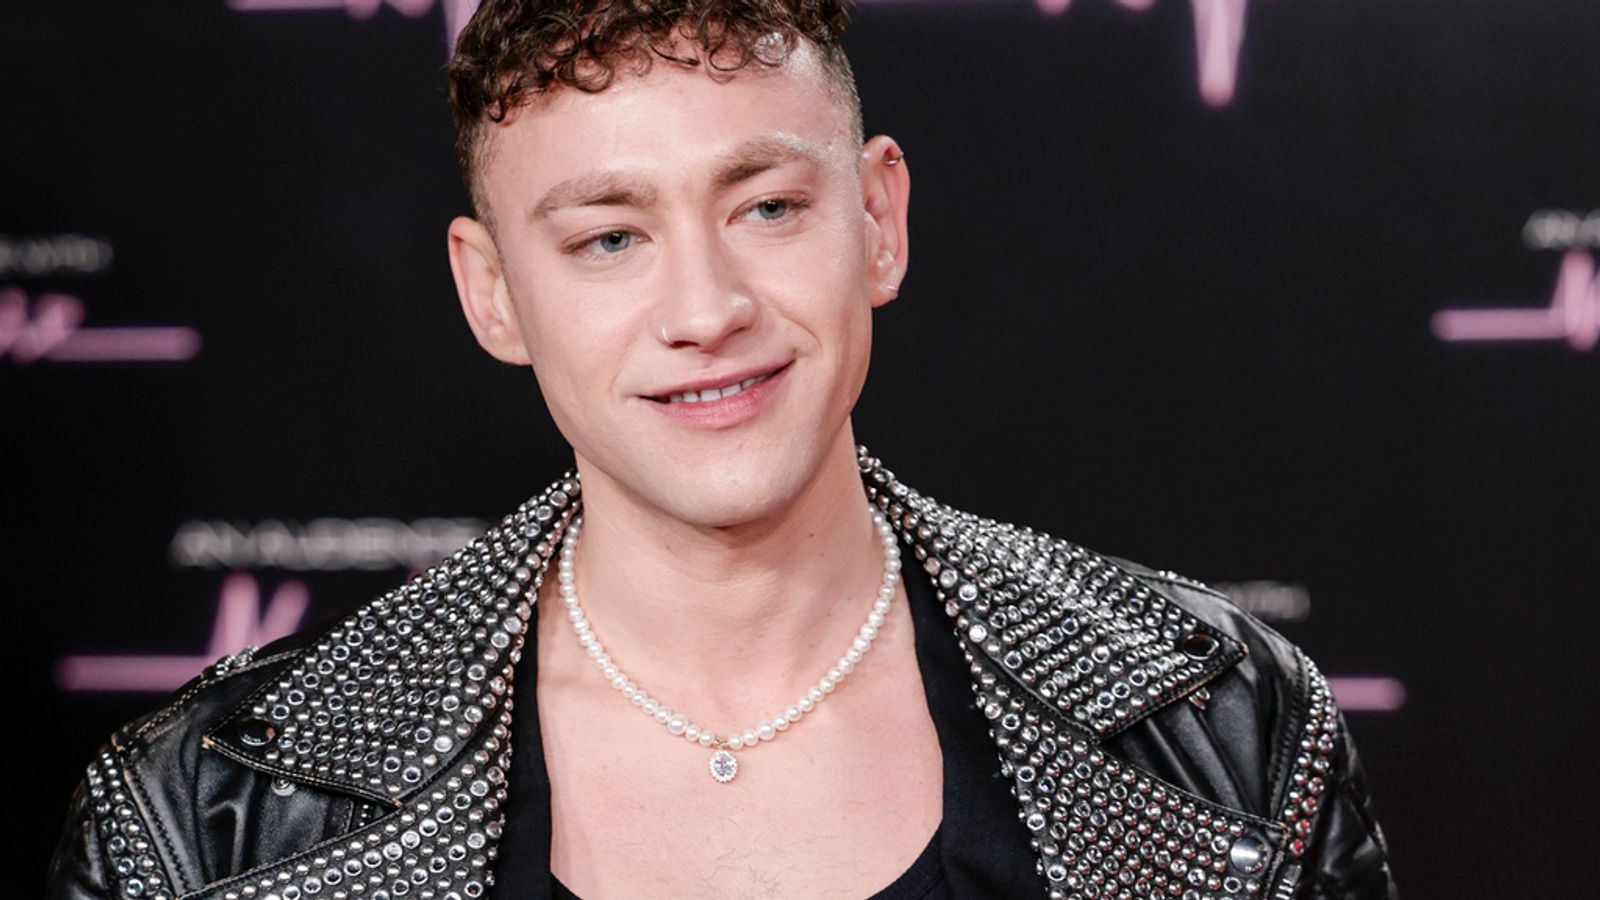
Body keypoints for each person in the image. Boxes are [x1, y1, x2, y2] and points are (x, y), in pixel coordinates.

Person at [47, 1, 1397, 898]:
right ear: (493, 292)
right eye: (609, 239)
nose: (706, 312)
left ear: (877, 218)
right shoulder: (208, 817)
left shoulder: (1221, 724)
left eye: (764, 206)